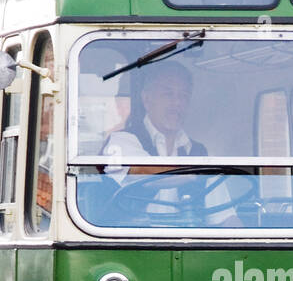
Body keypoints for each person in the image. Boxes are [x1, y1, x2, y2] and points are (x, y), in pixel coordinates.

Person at [96, 59, 242, 225]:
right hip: (129, 245)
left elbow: (225, 217)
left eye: (184, 96)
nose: (177, 103)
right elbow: (144, 174)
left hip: (188, 244)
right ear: (147, 99)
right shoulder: (121, 141)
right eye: (168, 94)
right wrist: (197, 172)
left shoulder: (199, 152)